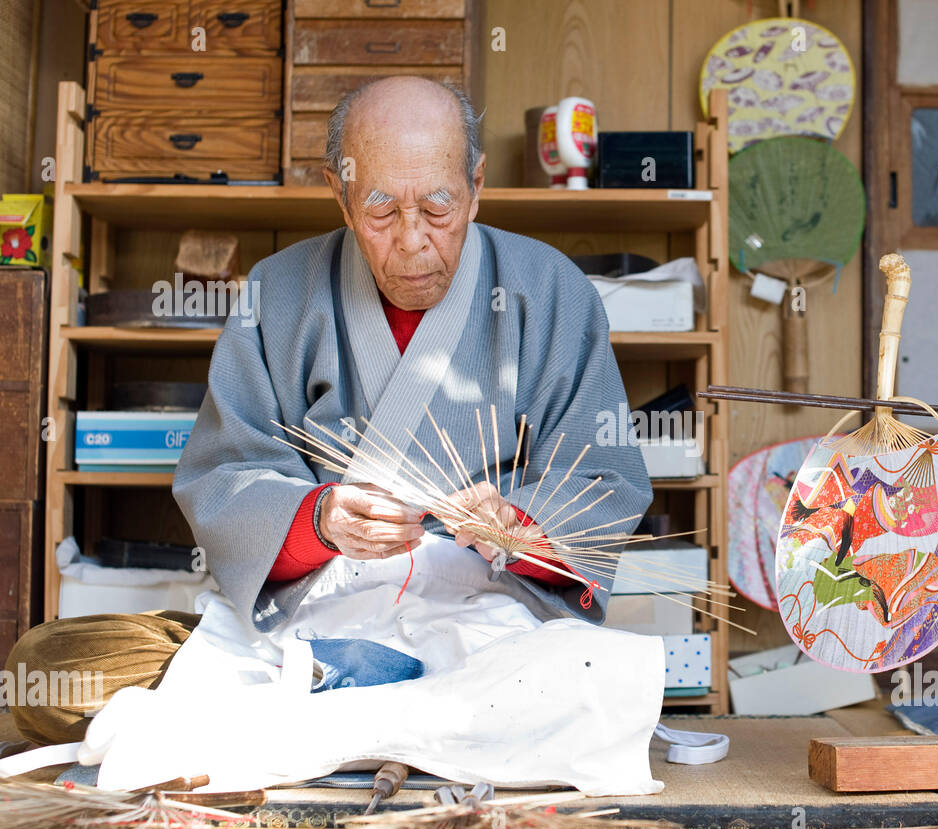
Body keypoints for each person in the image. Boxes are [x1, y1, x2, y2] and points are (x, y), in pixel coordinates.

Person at [5, 76, 653, 751]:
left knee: (597, 684)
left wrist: (516, 525)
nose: (410, 240)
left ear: (477, 182)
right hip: (308, 616)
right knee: (49, 669)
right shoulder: (279, 291)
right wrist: (317, 520)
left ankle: (334, 716)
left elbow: (602, 480)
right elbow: (226, 476)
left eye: (438, 206)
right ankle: (382, 716)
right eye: (380, 209)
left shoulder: (551, 291)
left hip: (483, 619)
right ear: (340, 195)